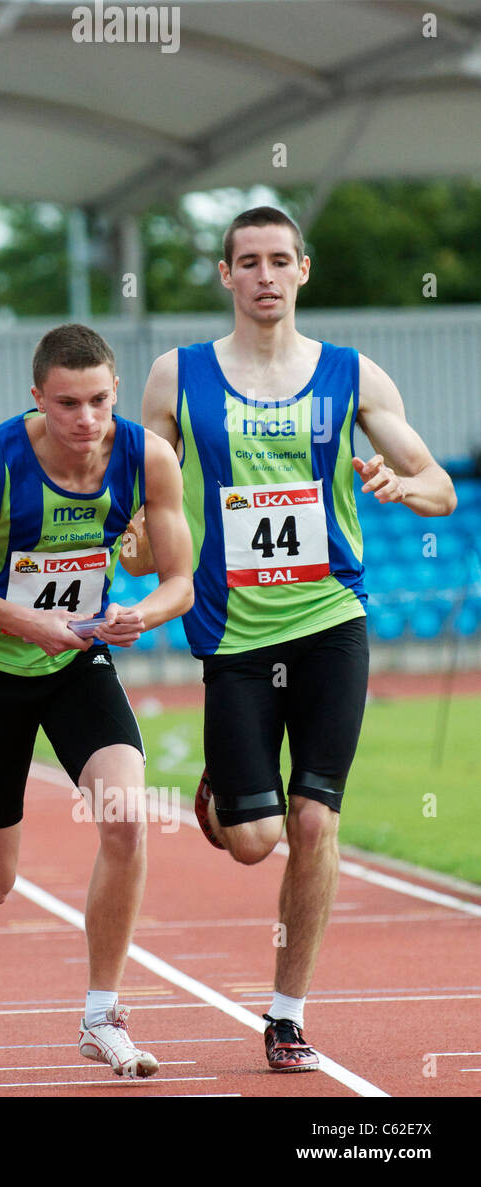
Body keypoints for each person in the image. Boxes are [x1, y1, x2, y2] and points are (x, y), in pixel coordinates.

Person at [129, 206, 457, 1071]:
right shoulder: (177, 376)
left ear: (304, 271)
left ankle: (286, 1014)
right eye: (250, 262)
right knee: (255, 839)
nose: (266, 275)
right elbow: (140, 488)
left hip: (329, 622)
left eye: (281, 260)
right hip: (232, 632)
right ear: (227, 276)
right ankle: (226, 795)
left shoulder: (352, 375)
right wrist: (132, 537)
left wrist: (397, 480)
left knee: (315, 821)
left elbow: (440, 487)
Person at [0, 323, 193, 1078]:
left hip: (81, 664)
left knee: (127, 819)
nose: (87, 420)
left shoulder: (148, 457)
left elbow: (181, 578)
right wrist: (26, 618)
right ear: (37, 398)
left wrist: (147, 612)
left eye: (100, 400)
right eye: (67, 403)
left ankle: (102, 1013)